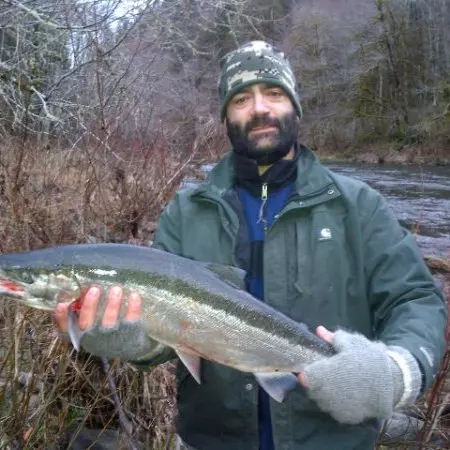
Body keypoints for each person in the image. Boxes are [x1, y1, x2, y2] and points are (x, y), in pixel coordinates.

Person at [55, 41, 448, 450]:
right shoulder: (186, 213)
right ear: (226, 115)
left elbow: (416, 298)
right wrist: (130, 339)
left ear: (295, 107)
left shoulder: (358, 206)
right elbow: (163, 340)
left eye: (274, 93)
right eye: (241, 98)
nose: (259, 108)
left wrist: (397, 371)